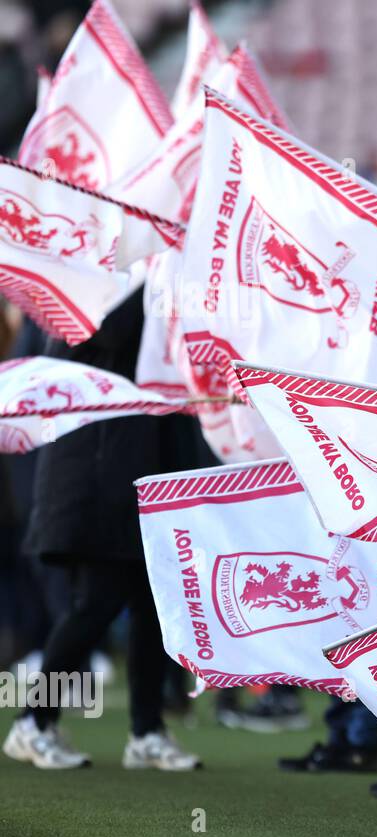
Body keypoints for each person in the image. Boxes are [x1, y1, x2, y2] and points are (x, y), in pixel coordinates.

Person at [2, 292, 204, 771]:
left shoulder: (146, 290)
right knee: (94, 603)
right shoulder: (90, 295)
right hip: (96, 479)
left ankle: (146, 730)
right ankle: (32, 724)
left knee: (151, 606)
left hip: (142, 475)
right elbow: (115, 327)